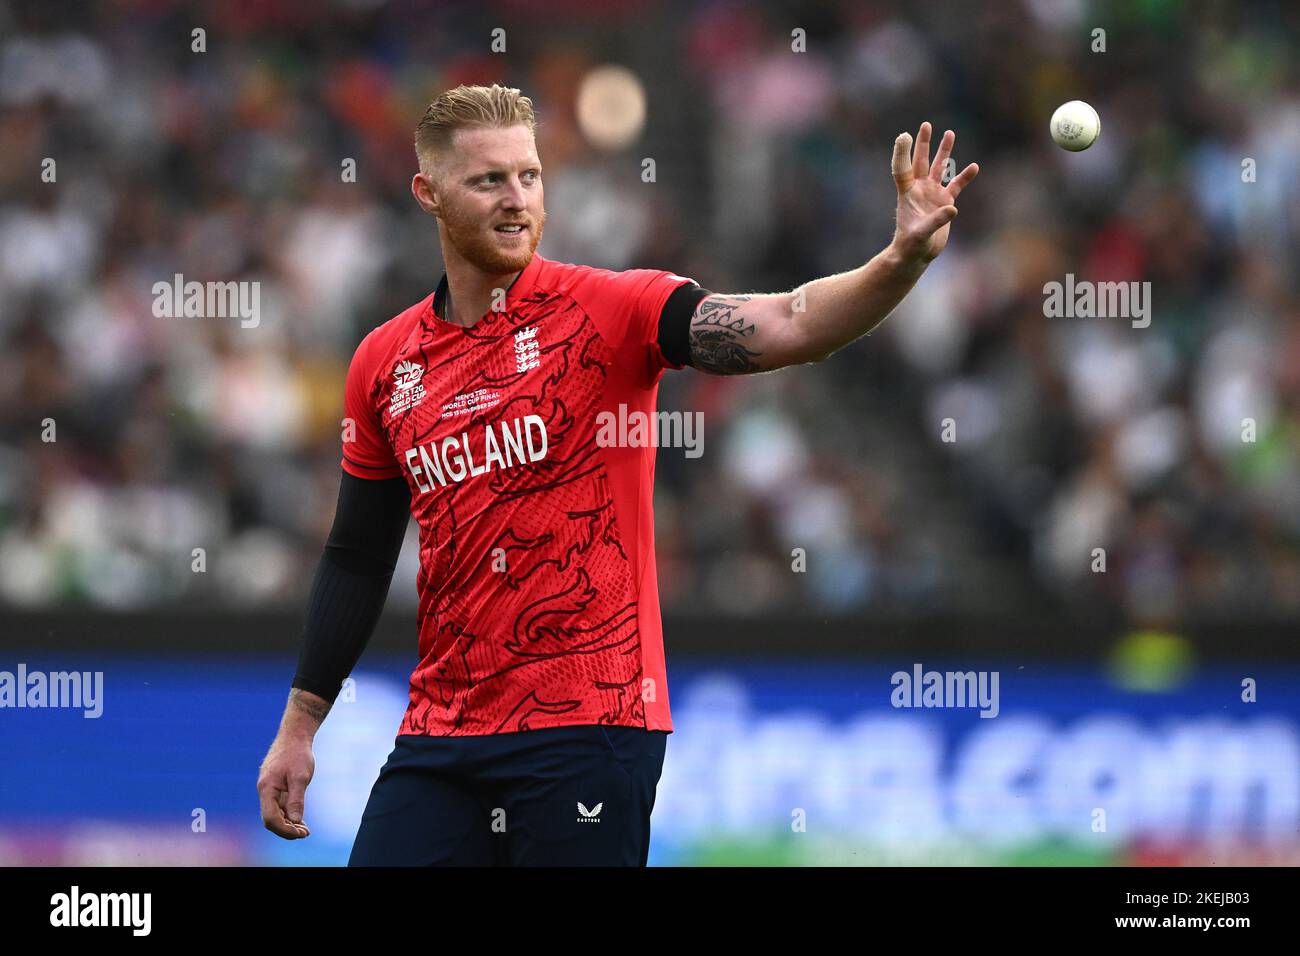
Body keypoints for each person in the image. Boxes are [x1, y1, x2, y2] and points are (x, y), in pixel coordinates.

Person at [256, 83, 978, 865]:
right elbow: (357, 557)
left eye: (529, 176)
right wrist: (300, 726)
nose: (516, 199)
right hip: (442, 733)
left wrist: (899, 262)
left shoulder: (611, 311)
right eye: (488, 180)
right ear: (429, 193)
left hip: (589, 726)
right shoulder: (384, 362)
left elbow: (787, 325)